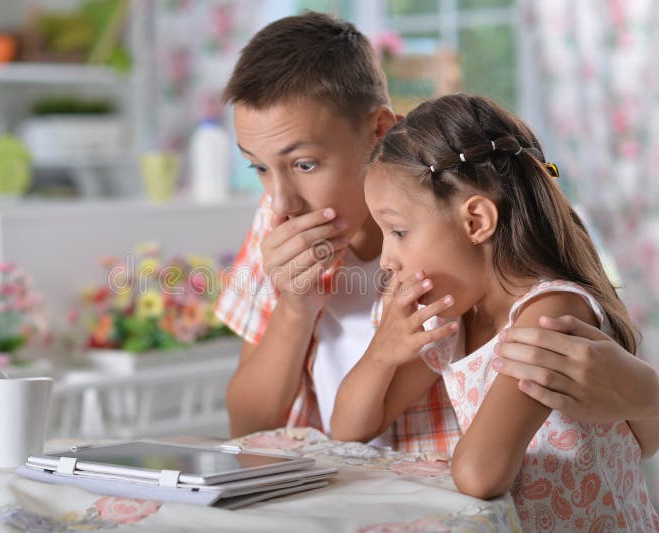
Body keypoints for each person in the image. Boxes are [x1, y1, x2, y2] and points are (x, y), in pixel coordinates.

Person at [215, 11, 659, 458]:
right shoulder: (279, 228)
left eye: (304, 164)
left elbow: (614, 434)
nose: (282, 199)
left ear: (380, 131)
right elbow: (250, 430)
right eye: (259, 167)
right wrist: (294, 307)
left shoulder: (457, 248)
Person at [331, 93, 658, 529]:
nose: (387, 259)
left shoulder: (552, 313)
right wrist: (382, 353)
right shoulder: (456, 323)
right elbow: (348, 430)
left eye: (399, 231)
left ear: (476, 222)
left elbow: (480, 473)